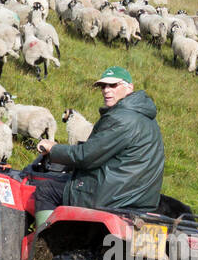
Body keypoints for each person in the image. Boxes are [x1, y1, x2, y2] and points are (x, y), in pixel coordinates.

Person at [30, 66, 165, 229]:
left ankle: (43, 243)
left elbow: (86, 157)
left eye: (113, 85)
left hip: (111, 197)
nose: (106, 90)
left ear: (129, 87)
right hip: (138, 198)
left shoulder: (121, 118)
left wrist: (53, 149)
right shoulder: (147, 118)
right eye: (103, 86)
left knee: (46, 189)